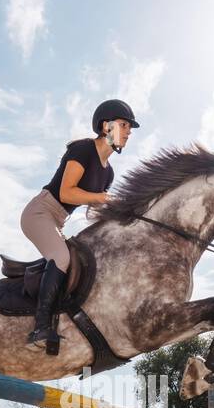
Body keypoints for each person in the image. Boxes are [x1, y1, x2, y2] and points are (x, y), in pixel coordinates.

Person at [19, 98, 138, 350]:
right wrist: (103, 198)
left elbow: (93, 209)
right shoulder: (83, 149)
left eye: (129, 128)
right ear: (106, 126)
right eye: (124, 125)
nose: (128, 132)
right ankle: (39, 329)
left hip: (58, 220)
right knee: (61, 259)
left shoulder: (109, 173)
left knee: (78, 265)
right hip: (39, 212)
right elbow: (66, 194)